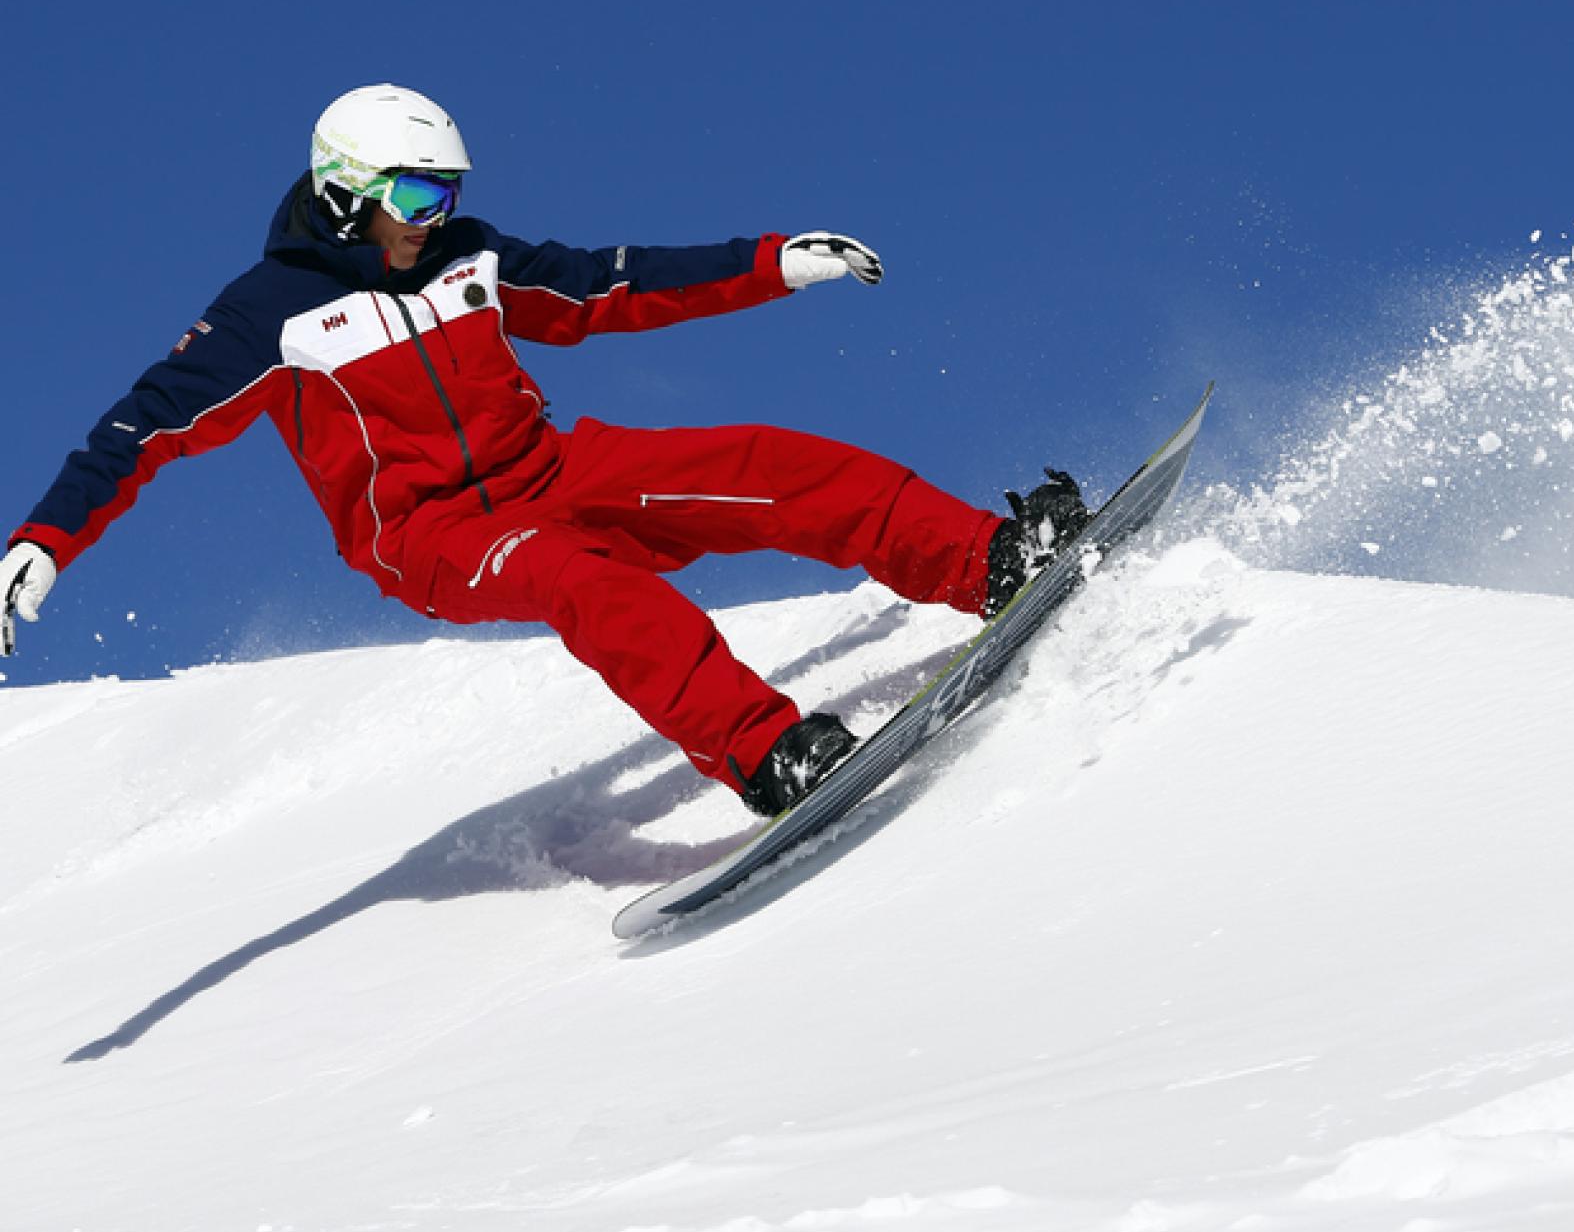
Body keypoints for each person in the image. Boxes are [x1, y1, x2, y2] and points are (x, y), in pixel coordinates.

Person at [0, 84, 1091, 815]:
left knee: (766, 463)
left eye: (450, 194)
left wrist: (771, 262)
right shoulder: (266, 317)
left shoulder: (468, 258)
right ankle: (768, 755)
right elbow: (140, 428)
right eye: (417, 195)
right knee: (591, 585)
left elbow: (605, 281)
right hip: (433, 537)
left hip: (552, 469)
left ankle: (991, 557)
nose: (437, 217)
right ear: (345, 194)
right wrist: (46, 540)